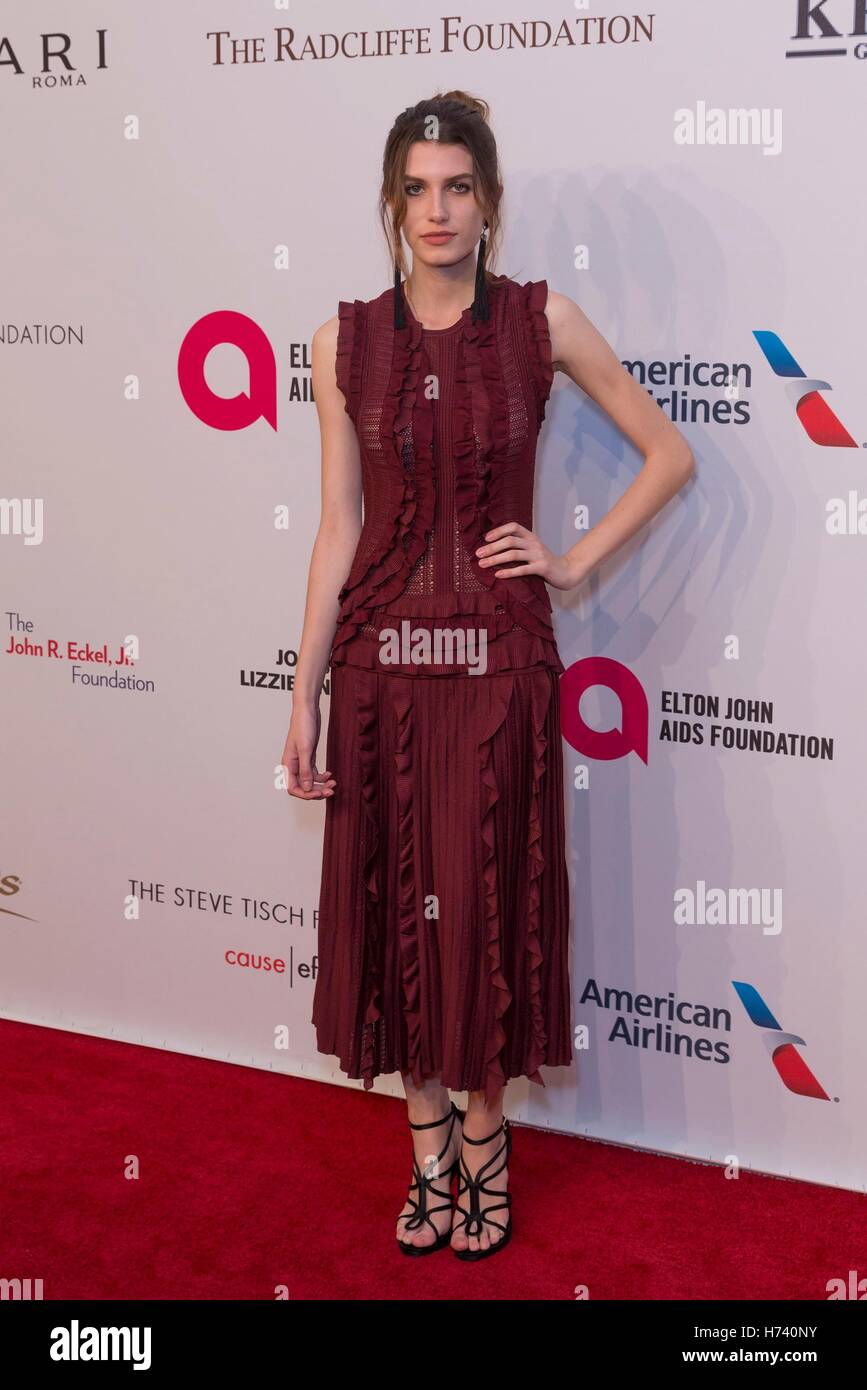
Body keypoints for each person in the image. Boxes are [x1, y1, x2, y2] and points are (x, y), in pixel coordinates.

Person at [281, 91, 694, 1262]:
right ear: (390, 202)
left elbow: (671, 453)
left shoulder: (538, 320)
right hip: (377, 673)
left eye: (458, 186)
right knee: (393, 905)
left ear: (491, 200)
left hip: (502, 663)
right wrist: (304, 688)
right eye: (415, 188)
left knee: (485, 906)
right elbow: (337, 526)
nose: (436, 209)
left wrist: (568, 561)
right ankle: (423, 1151)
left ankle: (484, 1143)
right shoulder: (342, 341)